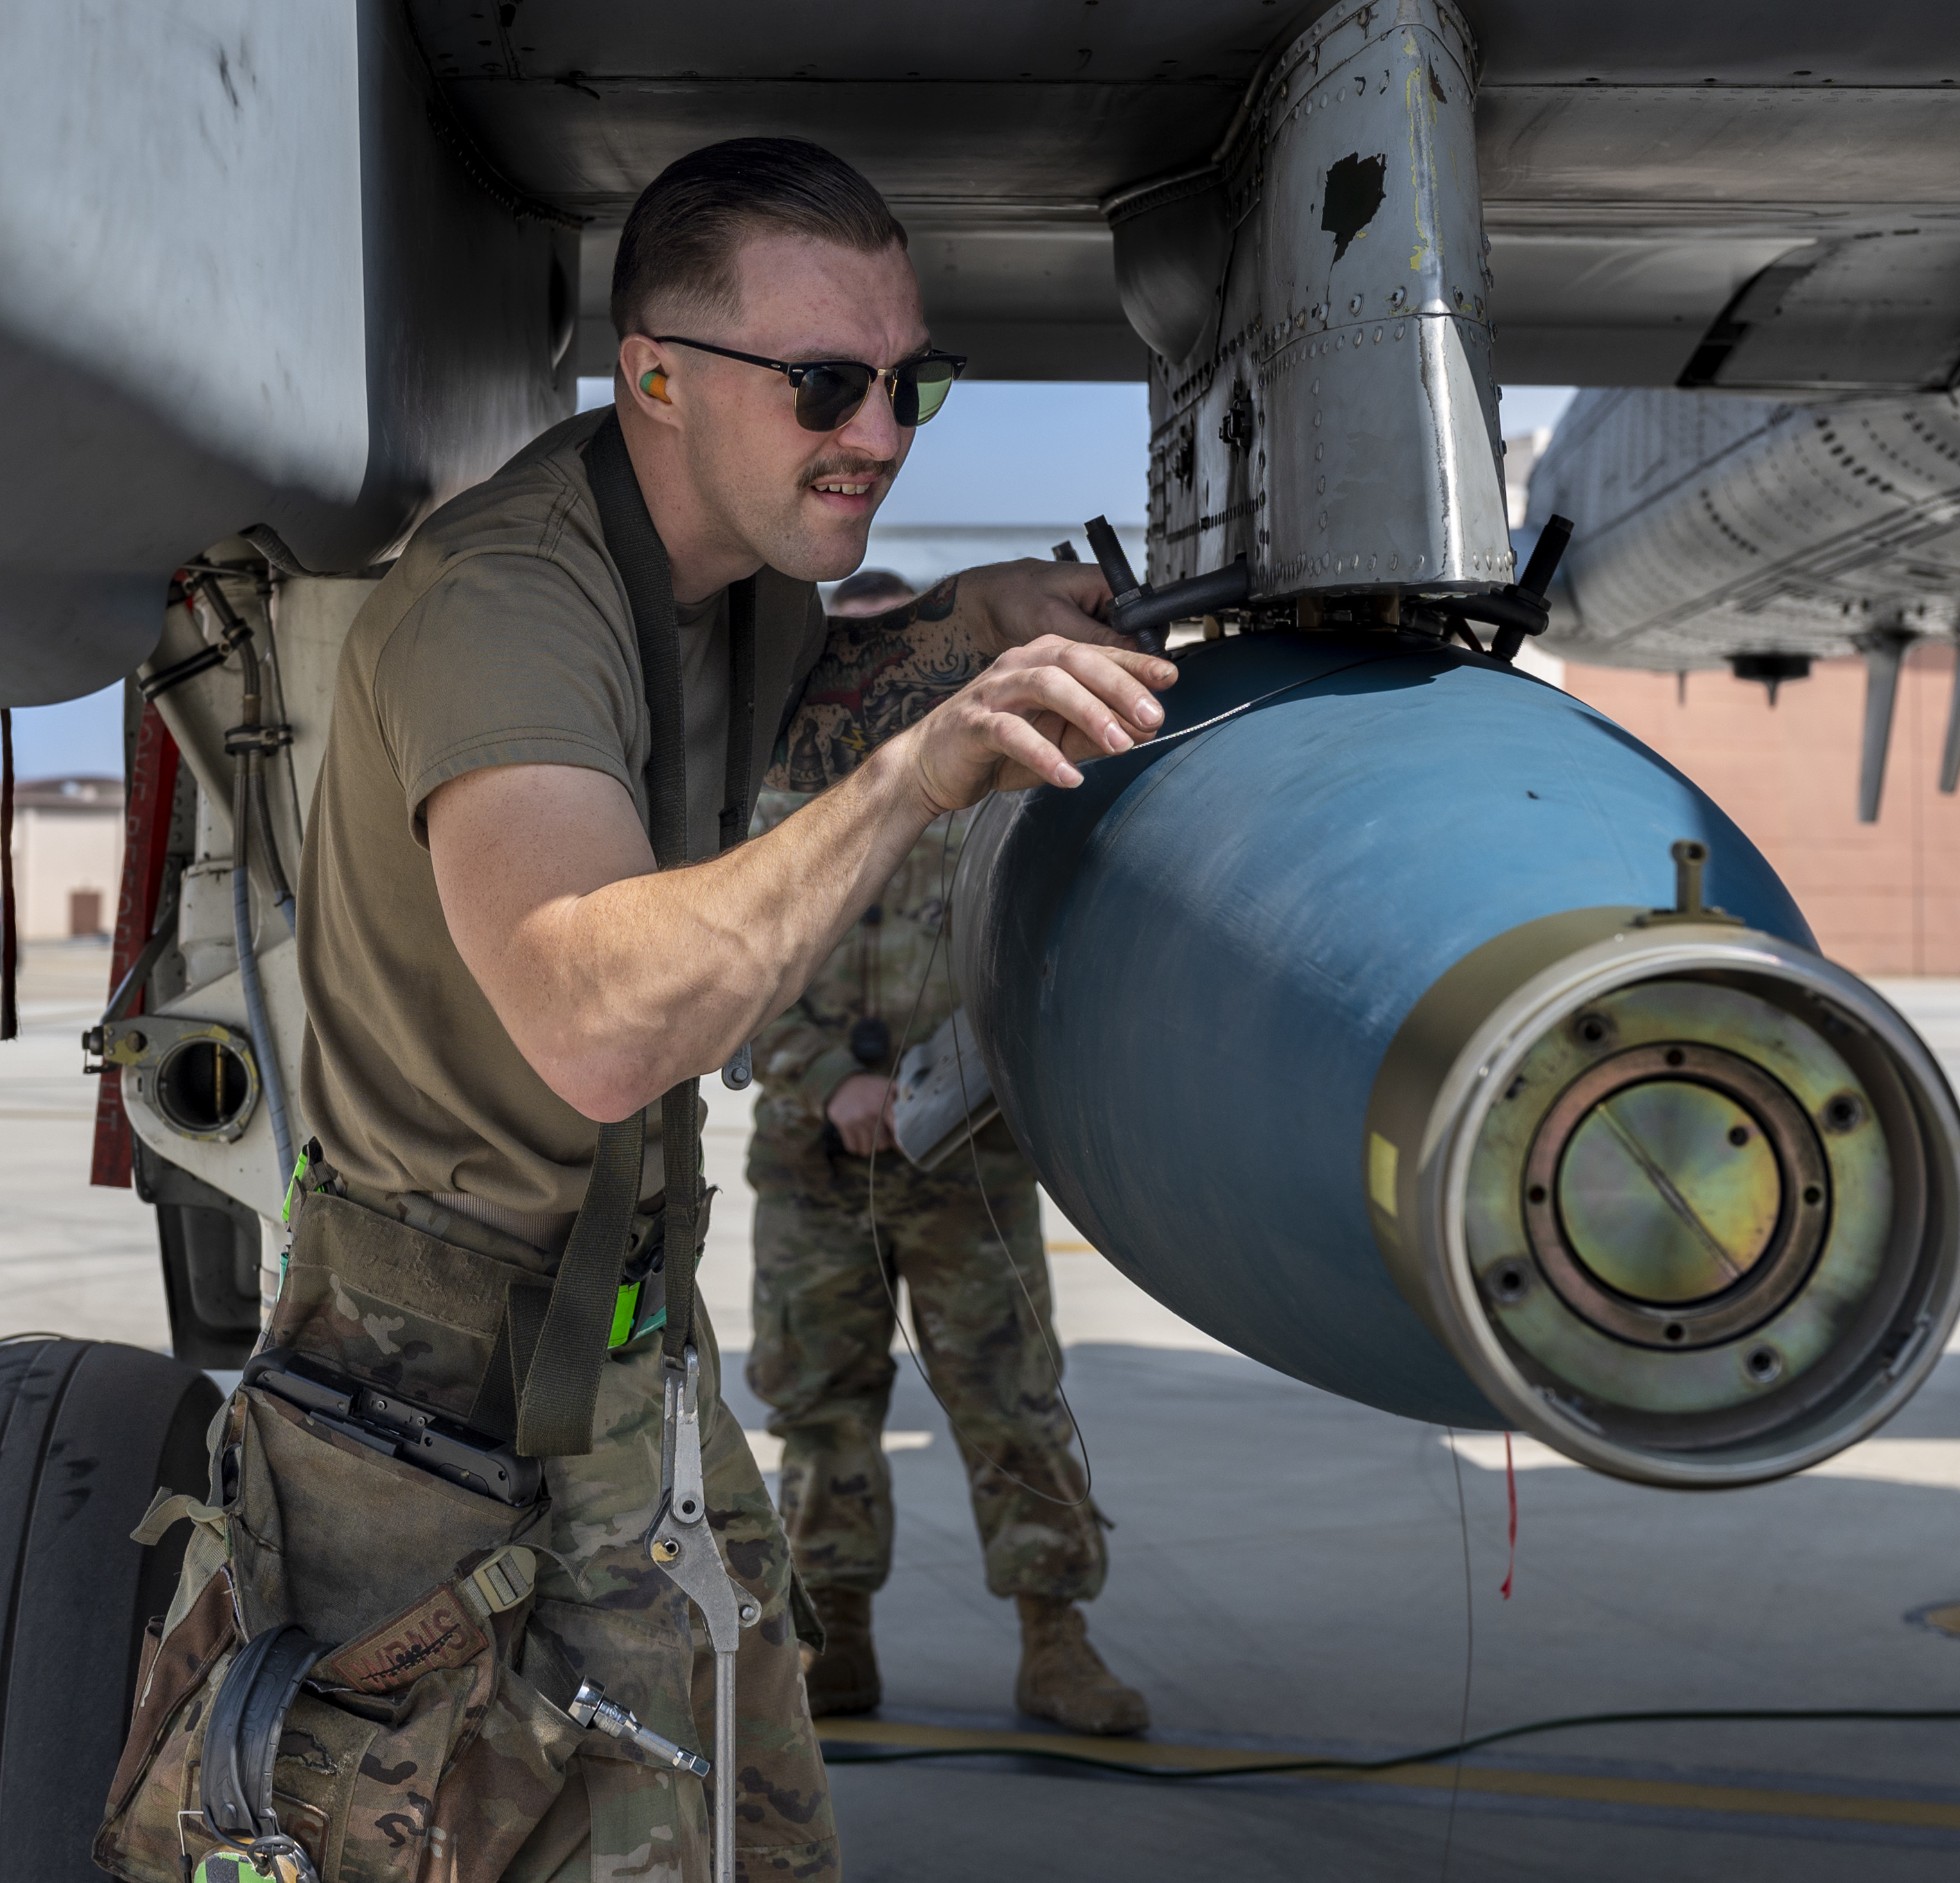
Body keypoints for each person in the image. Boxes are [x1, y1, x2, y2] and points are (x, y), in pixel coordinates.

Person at [97, 137, 1173, 1883]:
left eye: (914, 382)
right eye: (827, 382)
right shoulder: (507, 605)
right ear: (658, 378)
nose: (884, 434)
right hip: (430, 1411)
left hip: (623, 1365)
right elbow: (598, 1016)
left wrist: (965, 622)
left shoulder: (729, 577)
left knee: (764, 1849)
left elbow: (802, 690)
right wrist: (923, 767)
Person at [746, 570, 1146, 1736]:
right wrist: (833, 1083)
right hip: (812, 1166)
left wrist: (934, 1082)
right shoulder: (775, 808)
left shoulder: (996, 797)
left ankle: (1056, 1643)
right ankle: (833, 1647)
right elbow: (746, 966)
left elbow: (1029, 959)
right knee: (821, 1414)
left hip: (963, 1165)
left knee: (1012, 1404)